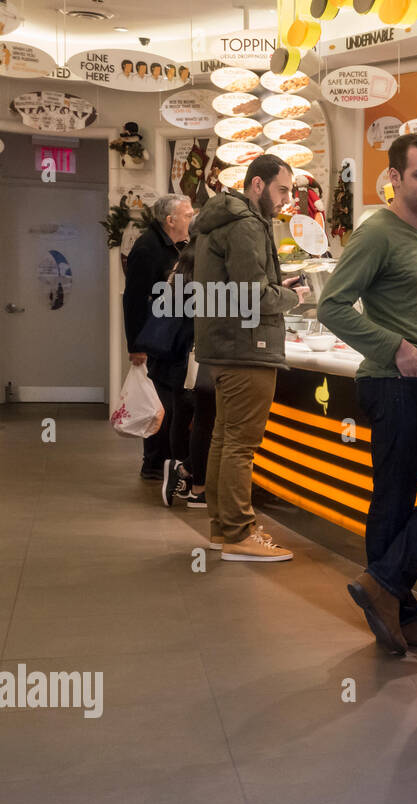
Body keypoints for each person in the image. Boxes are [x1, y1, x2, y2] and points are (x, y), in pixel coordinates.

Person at [319, 133, 417, 655]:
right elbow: (332, 307)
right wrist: (394, 348)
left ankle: (387, 589)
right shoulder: (377, 234)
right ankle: (399, 613)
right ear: (394, 178)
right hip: (392, 386)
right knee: (393, 502)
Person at [193, 154, 308, 561]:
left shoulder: (219, 220)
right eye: (282, 190)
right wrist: (295, 296)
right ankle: (241, 534)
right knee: (240, 444)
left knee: (224, 440)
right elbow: (252, 296)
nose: (285, 199)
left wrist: (277, 285)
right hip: (248, 347)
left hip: (222, 345)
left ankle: (222, 530)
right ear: (257, 185)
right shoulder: (246, 224)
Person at [123, 193, 194, 480]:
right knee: (160, 404)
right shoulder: (148, 248)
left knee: (170, 402)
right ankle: (153, 462)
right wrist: (136, 345)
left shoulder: (174, 245)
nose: (192, 218)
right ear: (171, 219)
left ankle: (164, 461)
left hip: (170, 338)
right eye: (188, 214)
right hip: (155, 339)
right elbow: (134, 300)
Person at [162, 232, 215, 510]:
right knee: (207, 418)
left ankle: (184, 473)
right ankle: (195, 484)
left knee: (186, 415)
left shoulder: (182, 262)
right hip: (198, 352)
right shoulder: (204, 265)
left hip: (179, 352)